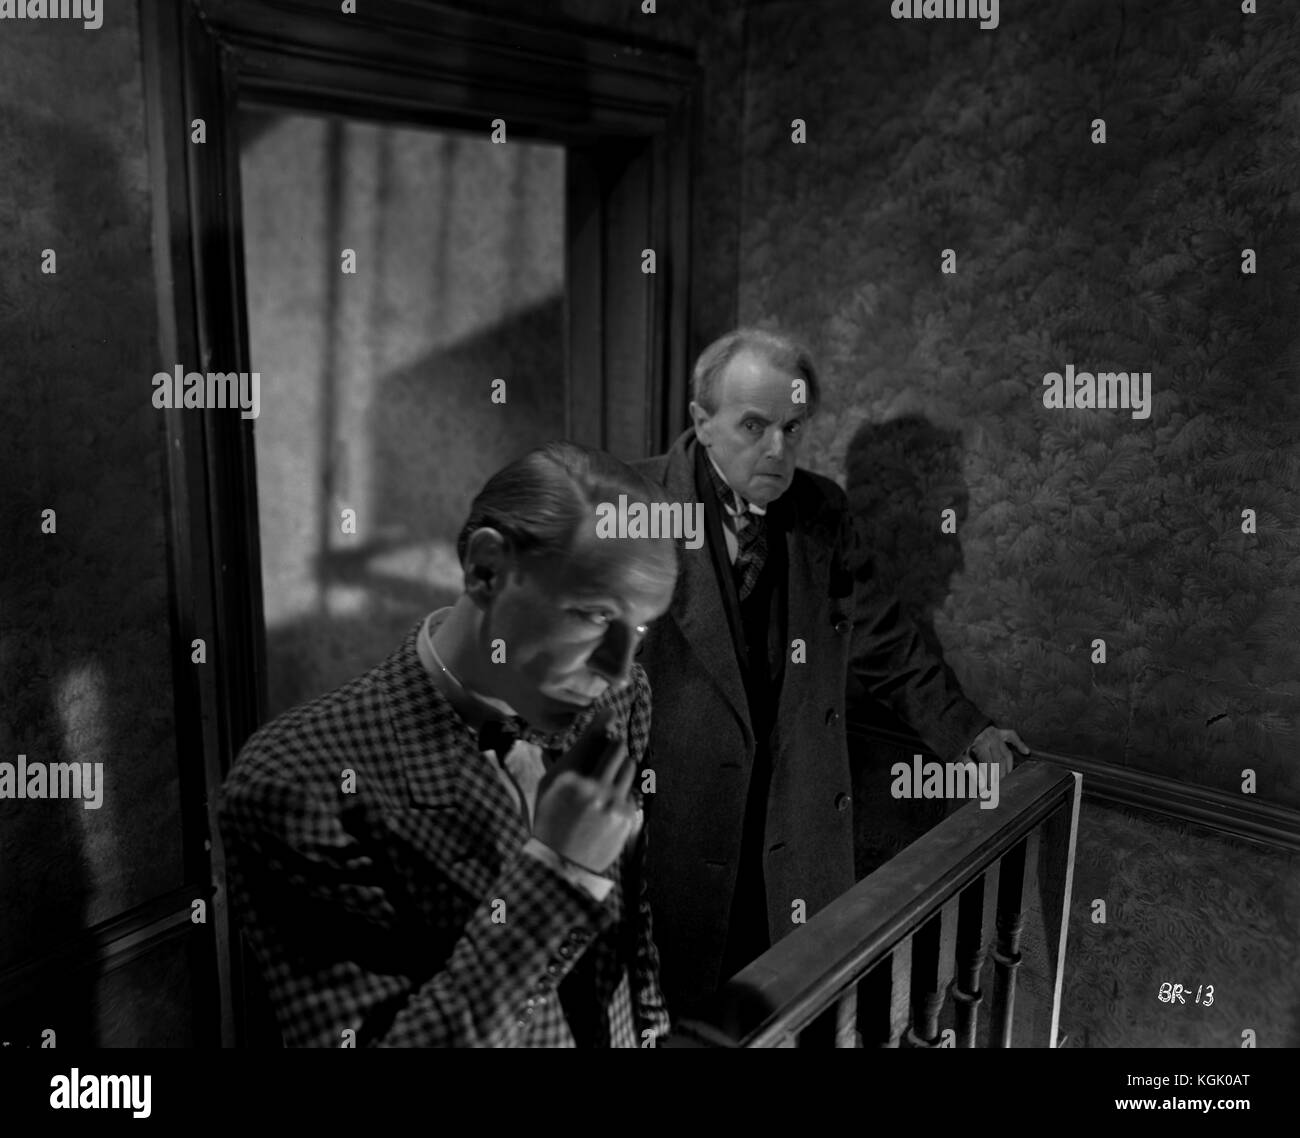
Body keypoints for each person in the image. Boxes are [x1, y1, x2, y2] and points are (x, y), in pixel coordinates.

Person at [218, 442, 679, 1047]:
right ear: (486, 569)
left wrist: (654, 1030)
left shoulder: (619, 700)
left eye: (640, 627)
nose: (620, 668)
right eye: (594, 615)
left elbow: (630, 919)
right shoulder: (295, 784)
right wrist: (558, 874)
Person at [633, 328, 1029, 1018]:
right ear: (701, 421)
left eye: (792, 427)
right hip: (671, 837)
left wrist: (971, 735)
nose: (779, 450)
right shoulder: (629, 506)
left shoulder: (822, 511)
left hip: (785, 830)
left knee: (781, 1010)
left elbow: (886, 642)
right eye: (753, 426)